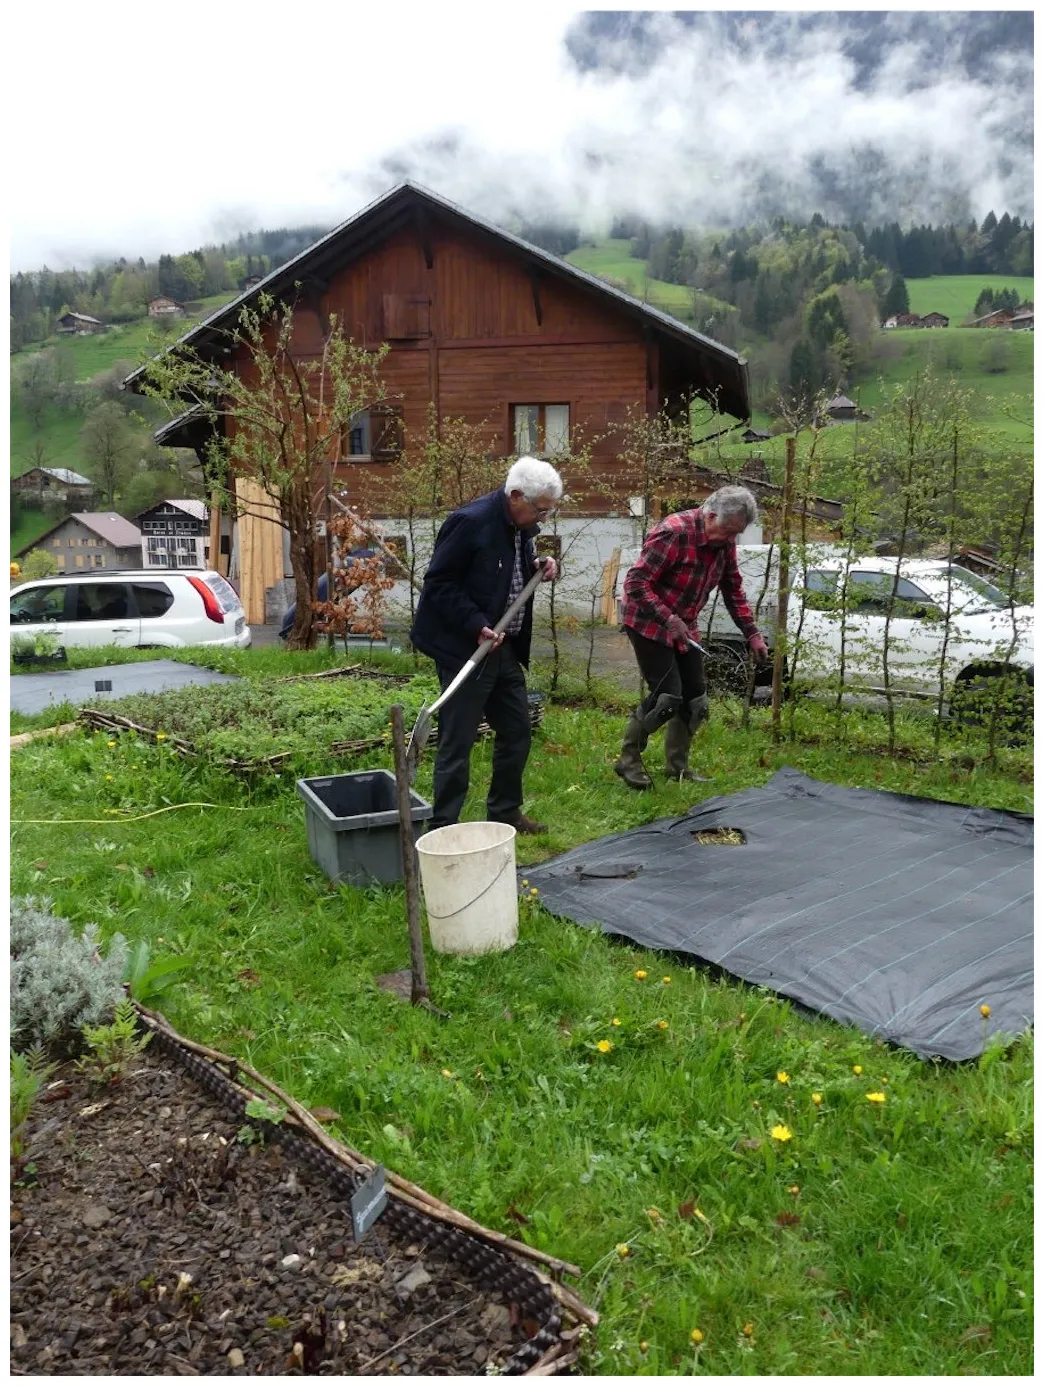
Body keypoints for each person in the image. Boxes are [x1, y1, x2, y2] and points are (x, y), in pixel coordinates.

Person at [410, 457, 562, 835]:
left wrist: (538, 564)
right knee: (457, 740)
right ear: (516, 496)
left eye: (548, 510)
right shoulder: (471, 522)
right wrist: (475, 624)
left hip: (503, 647)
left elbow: (503, 572)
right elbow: (439, 584)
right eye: (540, 510)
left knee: (517, 730)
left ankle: (505, 812)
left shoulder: (519, 526)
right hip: (465, 650)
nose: (543, 518)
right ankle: (443, 825)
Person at [615, 484, 769, 790]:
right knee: (667, 697)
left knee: (695, 698)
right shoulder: (673, 533)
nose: (730, 540)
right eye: (728, 532)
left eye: (736, 535)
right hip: (648, 621)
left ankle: (677, 767)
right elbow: (635, 583)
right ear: (710, 516)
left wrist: (752, 633)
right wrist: (668, 618)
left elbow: (733, 590)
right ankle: (628, 759)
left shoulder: (723, 543)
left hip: (684, 623)